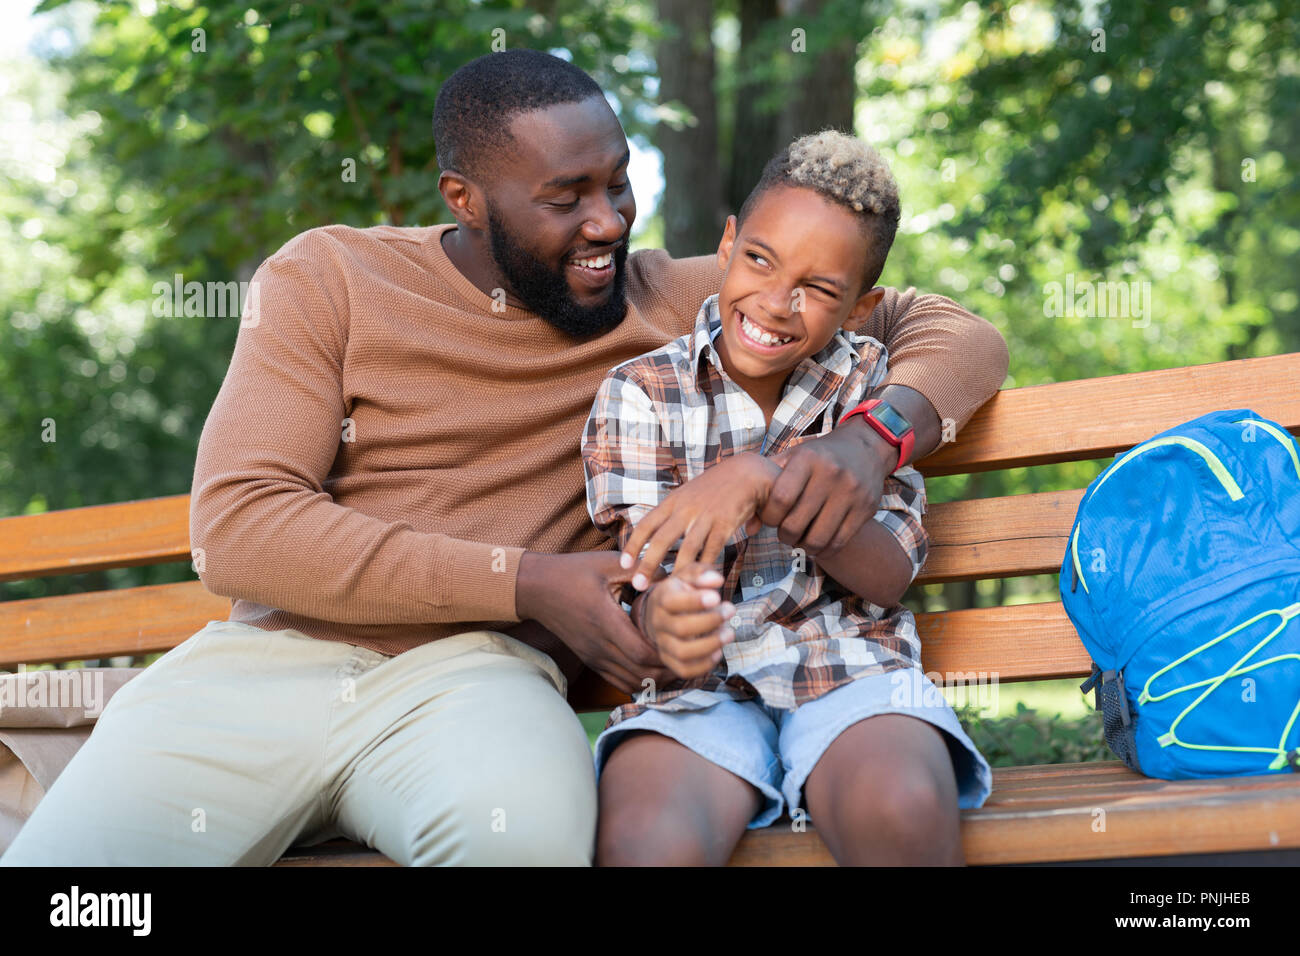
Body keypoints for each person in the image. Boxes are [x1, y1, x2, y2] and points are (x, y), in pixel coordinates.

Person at [0, 50, 1006, 867]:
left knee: (524, 843)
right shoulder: (332, 276)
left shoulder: (669, 296)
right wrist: (524, 579)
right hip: (266, 668)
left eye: (618, 183)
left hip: (482, 681)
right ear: (466, 198)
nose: (607, 222)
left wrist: (874, 436)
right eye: (566, 196)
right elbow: (239, 527)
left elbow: (940, 323)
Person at [583, 130, 992, 866]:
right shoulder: (641, 393)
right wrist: (663, 616)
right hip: (697, 692)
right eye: (760, 260)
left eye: (820, 289)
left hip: (850, 667)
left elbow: (890, 573)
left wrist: (768, 480)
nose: (775, 302)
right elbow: (643, 575)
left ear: (860, 306)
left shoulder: (870, 388)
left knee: (901, 805)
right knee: (647, 842)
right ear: (728, 243)